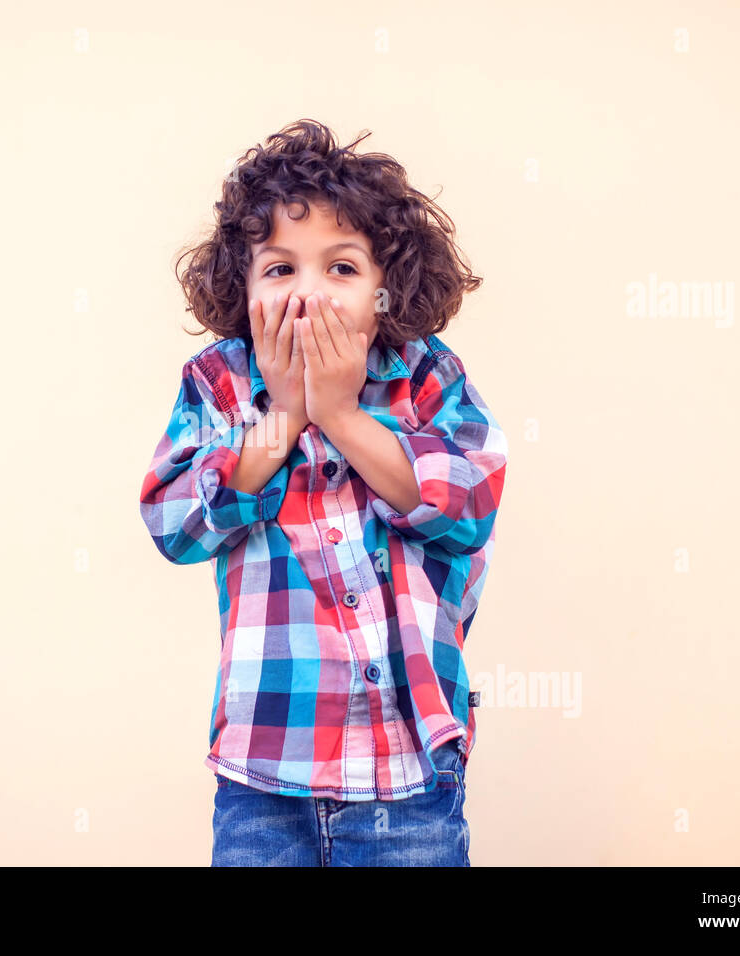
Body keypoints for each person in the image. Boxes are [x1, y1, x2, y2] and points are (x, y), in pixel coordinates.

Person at [139, 119, 508, 866]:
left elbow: (468, 504)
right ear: (240, 290)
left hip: (408, 771)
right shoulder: (221, 384)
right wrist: (284, 416)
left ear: (385, 289)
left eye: (340, 268)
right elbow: (174, 521)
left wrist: (338, 412)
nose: (308, 292)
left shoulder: (427, 377)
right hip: (262, 773)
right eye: (280, 269)